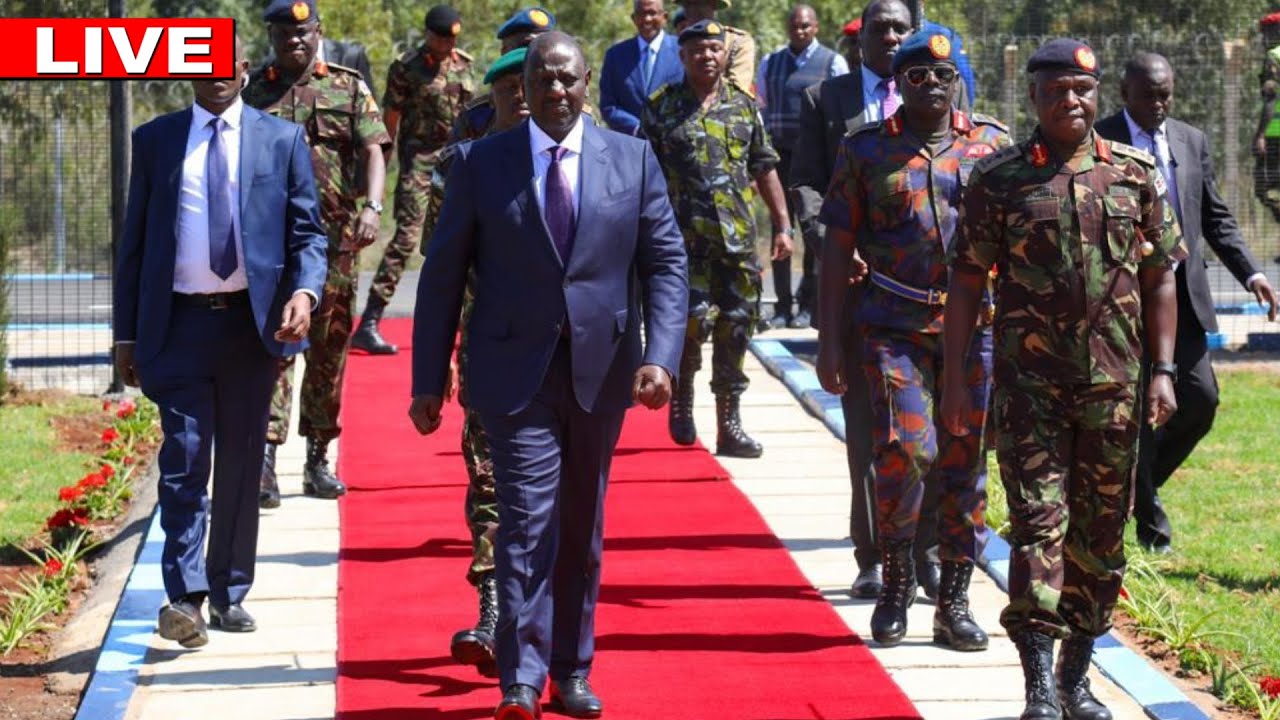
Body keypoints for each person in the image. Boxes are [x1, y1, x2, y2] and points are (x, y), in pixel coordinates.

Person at [409, 32, 688, 719]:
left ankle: (573, 669)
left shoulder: (633, 158)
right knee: (526, 523)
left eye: (567, 79)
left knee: (581, 526)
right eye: (542, 80)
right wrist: (426, 379)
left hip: (603, 370)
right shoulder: (482, 163)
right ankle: (521, 680)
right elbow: (443, 276)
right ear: (521, 88)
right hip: (514, 374)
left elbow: (667, 262)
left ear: (586, 81)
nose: (555, 91)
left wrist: (662, 355)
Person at [942, 38, 1186, 720]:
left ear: (1096, 94)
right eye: (1056, 90)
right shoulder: (1000, 179)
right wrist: (959, 379)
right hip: (1030, 393)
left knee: (1101, 538)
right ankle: (1039, 686)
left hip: (1113, 389)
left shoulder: (1135, 175)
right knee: (1037, 530)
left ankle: (1078, 674)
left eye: (1081, 90)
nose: (1070, 101)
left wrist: (1163, 371)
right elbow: (965, 281)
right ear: (1034, 97)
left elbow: (1160, 274)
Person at [113, 36, 327, 648]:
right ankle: (184, 598)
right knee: (182, 460)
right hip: (176, 328)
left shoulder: (280, 140)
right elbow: (135, 246)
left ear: (242, 68)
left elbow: (307, 236)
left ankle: (229, 589)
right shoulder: (155, 141)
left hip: (248, 330)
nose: (212, 76)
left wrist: (305, 294)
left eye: (221, 65)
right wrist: (125, 335)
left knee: (238, 463)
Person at [817, 31, 1009, 651]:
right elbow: (837, 247)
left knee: (966, 462)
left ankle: (953, 601)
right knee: (907, 449)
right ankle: (897, 575)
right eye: (917, 74)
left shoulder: (992, 145)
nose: (931, 84)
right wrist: (828, 342)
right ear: (896, 82)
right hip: (892, 325)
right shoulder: (865, 150)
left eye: (941, 74)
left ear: (957, 80)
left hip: (974, 329)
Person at [790, 0, 943, 601]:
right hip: (855, 291)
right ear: (861, 41)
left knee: (927, 432)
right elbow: (804, 180)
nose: (889, 38)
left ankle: (925, 552)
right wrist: (831, 241)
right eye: (879, 29)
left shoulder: (937, 93)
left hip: (925, 299)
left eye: (899, 29)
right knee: (867, 430)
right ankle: (873, 555)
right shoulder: (825, 100)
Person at [1096, 52, 1278, 553]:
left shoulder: (1190, 141)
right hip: (1123, 302)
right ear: (1124, 92)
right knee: (1133, 414)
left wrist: (1253, 273)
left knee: (1200, 402)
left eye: (1166, 95)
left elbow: (1215, 217)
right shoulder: (1100, 139)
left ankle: (1136, 488)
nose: (1159, 104)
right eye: (1149, 95)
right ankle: (1150, 522)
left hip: (1184, 299)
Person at [244, 0, 391, 508]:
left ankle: (317, 458)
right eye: (285, 33)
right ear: (272, 36)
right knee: (274, 348)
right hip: (270, 244)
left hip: (335, 242)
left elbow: (374, 147)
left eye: (303, 34)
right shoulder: (254, 89)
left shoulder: (347, 86)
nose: (294, 42)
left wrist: (373, 206)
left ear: (318, 33)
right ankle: (264, 460)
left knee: (329, 352)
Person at [643, 19, 793, 459]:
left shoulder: (745, 107)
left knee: (736, 327)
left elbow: (764, 166)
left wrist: (782, 225)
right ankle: (683, 398)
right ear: (682, 56)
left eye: (715, 49)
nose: (707, 56)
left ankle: (729, 425)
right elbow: (642, 172)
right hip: (681, 245)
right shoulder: (661, 108)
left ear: (725, 54)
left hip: (736, 243)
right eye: (698, 50)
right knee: (691, 323)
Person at [428, 45, 532, 680]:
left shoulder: (582, 158)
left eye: (534, 84)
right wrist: (434, 361)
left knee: (553, 497)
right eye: (510, 86)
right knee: (490, 480)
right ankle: (493, 613)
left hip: (564, 355)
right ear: (488, 96)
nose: (524, 95)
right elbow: (440, 273)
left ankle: (540, 624)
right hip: (489, 350)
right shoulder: (463, 167)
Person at [350, 5, 474, 356]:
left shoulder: (464, 64)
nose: (448, 44)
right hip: (419, 164)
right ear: (429, 35)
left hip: (458, 161)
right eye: (442, 38)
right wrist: (377, 170)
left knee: (467, 239)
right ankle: (371, 320)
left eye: (453, 38)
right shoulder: (406, 69)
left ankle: (468, 322)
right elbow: (389, 122)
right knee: (405, 239)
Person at [757, 5, 848, 330]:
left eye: (805, 26)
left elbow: (839, 105)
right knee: (782, 229)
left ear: (815, 27)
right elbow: (761, 108)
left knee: (814, 230)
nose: (799, 31)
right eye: (794, 26)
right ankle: (782, 305)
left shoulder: (832, 62)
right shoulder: (771, 62)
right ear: (788, 27)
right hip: (779, 158)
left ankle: (808, 304)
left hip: (816, 161)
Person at [450, 7, 557, 143]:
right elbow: (452, 161)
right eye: (527, 45)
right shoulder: (477, 117)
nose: (535, 54)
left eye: (544, 46)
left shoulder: (567, 107)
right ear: (504, 51)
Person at [599, 0, 683, 136]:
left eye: (652, 13)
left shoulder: (682, 51)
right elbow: (609, 106)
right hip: (629, 144)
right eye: (641, 14)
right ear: (633, 18)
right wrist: (637, 128)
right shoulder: (615, 55)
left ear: (664, 17)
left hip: (673, 143)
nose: (647, 19)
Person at [676, 0, 756, 92]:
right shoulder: (676, 43)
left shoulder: (737, 41)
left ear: (713, 4)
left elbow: (737, 90)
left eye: (700, 3)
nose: (693, 10)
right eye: (688, 4)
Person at [1253, 10, 1280, 258]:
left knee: (1262, 187)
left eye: (1267, 33)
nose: (1264, 38)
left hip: (1276, 135)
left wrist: (1260, 134)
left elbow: (1271, 100)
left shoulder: (1274, 56)